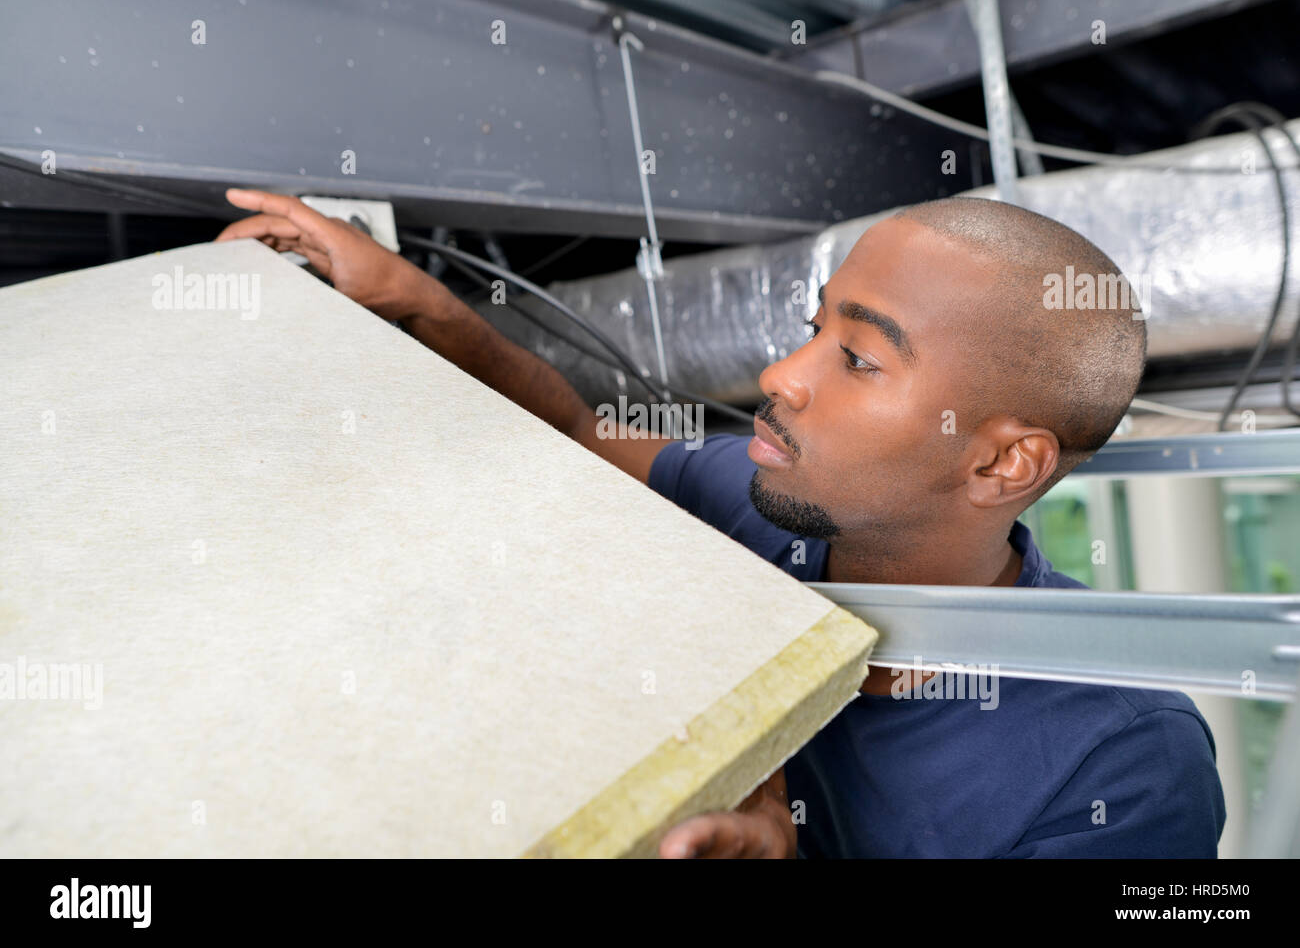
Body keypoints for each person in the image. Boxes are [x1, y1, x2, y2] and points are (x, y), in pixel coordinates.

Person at [217, 190, 1226, 858]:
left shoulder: (1128, 762)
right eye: (811, 329)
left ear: (1002, 462)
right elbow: (573, 432)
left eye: (859, 358)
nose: (780, 377)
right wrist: (413, 302)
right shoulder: (759, 509)